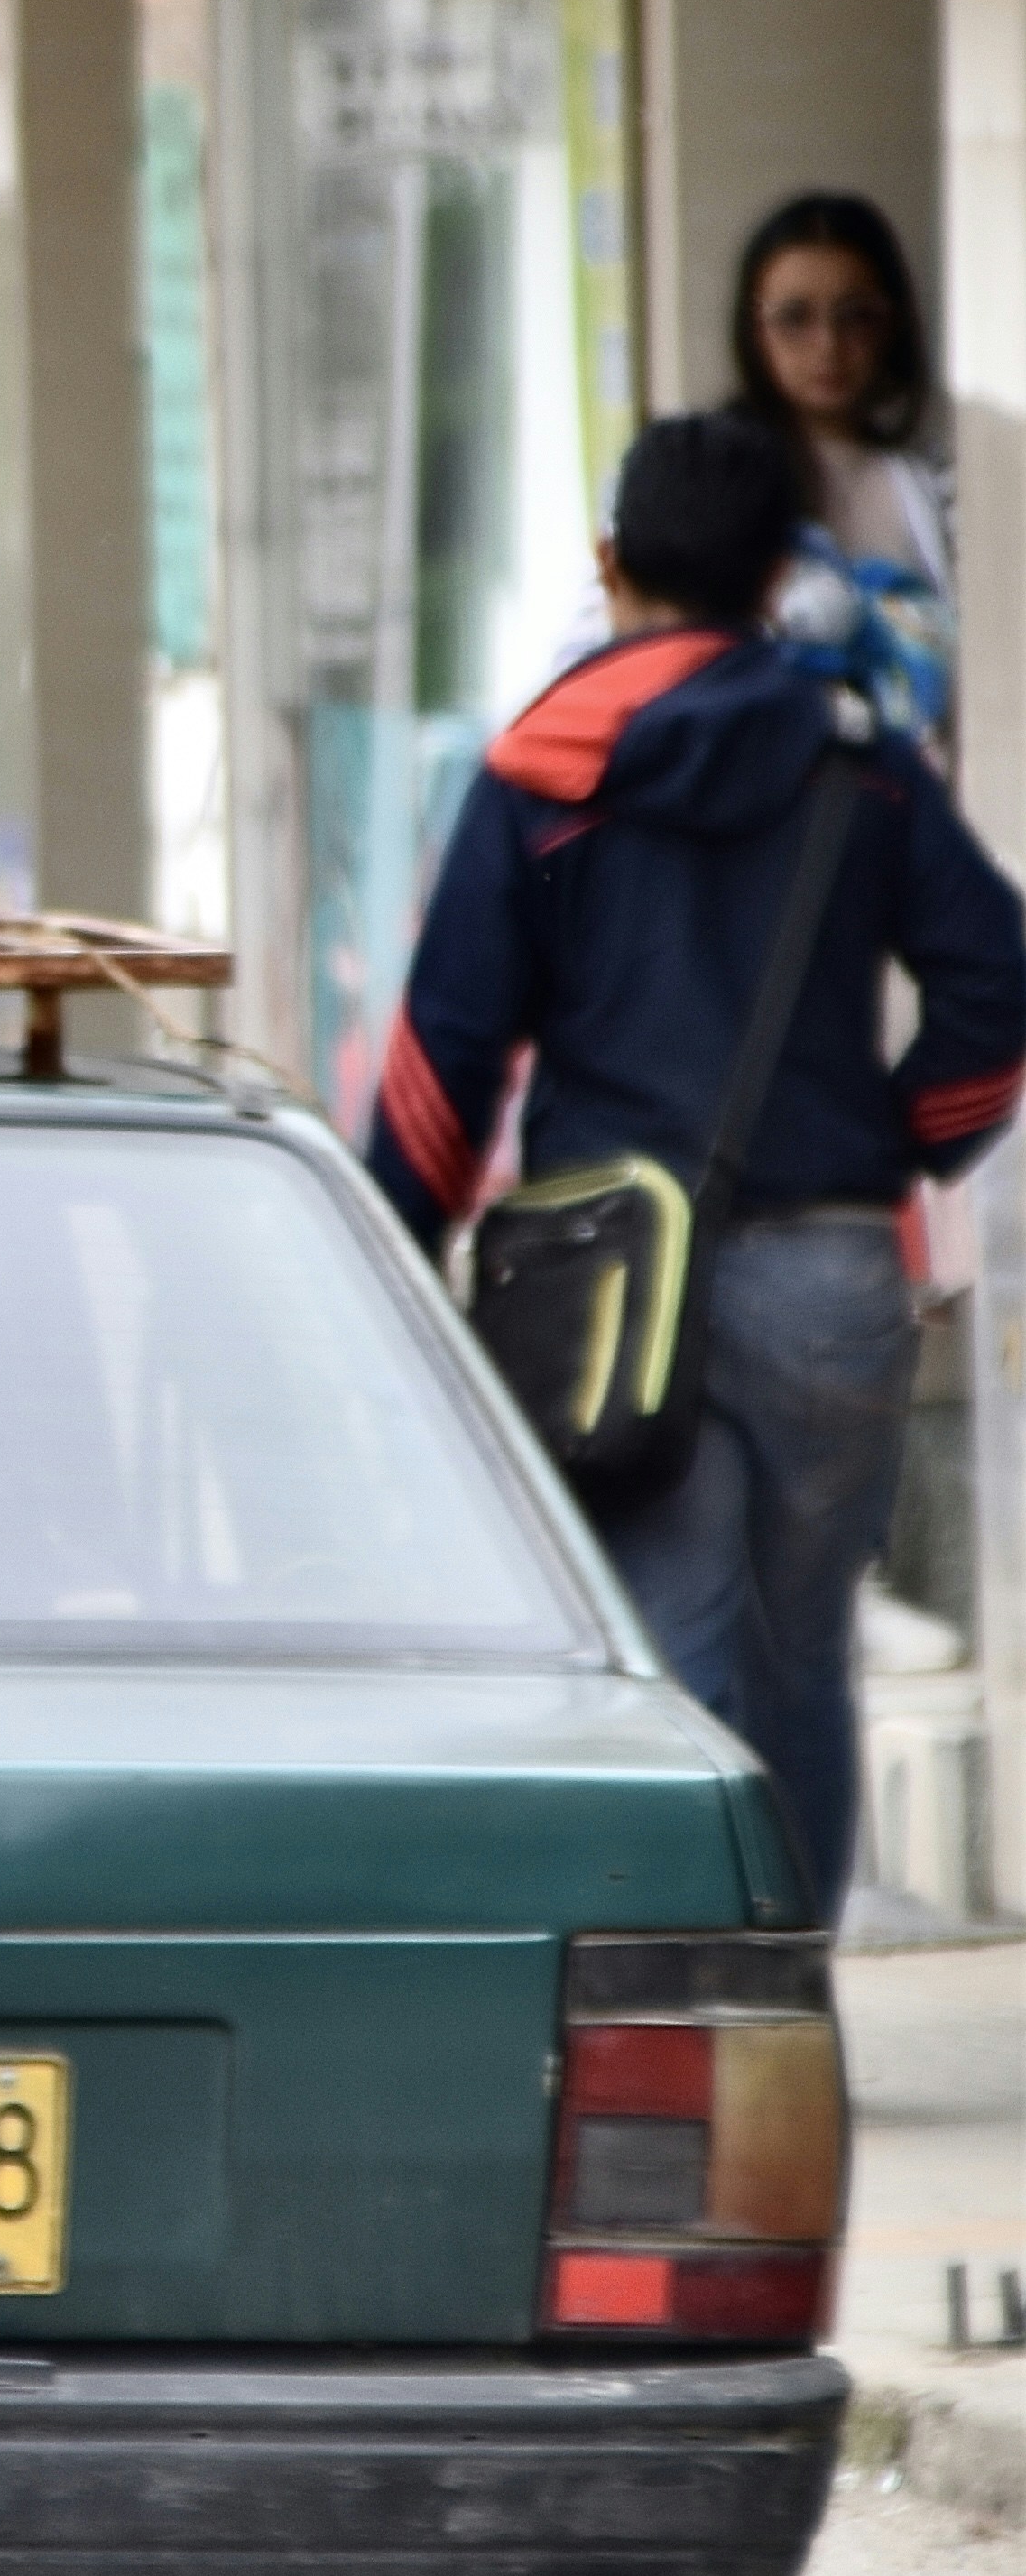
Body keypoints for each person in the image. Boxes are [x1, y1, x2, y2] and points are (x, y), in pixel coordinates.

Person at [366, 407, 1024, 1919]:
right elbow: (997, 988)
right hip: (831, 1279)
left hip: (604, 1288)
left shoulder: (538, 778)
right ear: (777, 573)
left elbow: (438, 1075)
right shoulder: (862, 766)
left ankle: (710, 2002)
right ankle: (789, 1988)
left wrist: (389, 1267)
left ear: (612, 565)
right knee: (804, 1646)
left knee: (677, 1634)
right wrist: (898, 1139)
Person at [726, 187, 955, 758]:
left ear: (893, 325)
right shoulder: (708, 477)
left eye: (855, 318)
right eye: (794, 319)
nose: (827, 346)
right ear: (754, 332)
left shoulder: (938, 486)